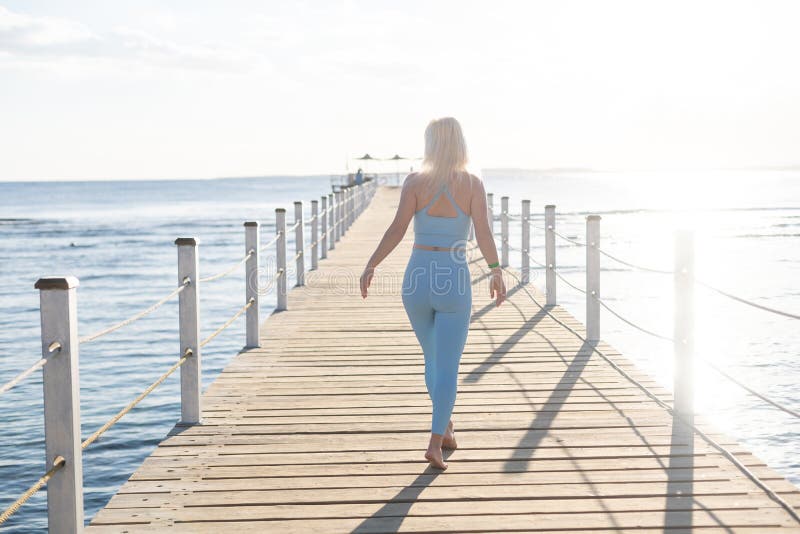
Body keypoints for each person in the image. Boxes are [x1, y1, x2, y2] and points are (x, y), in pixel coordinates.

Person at [360, 117, 506, 470]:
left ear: (429, 145)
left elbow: (397, 229)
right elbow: (483, 233)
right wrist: (495, 271)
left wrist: (371, 264)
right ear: (460, 144)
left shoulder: (415, 182)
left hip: (417, 277)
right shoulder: (472, 184)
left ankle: (447, 427)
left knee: (433, 360)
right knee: (448, 366)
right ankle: (434, 442)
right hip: (453, 276)